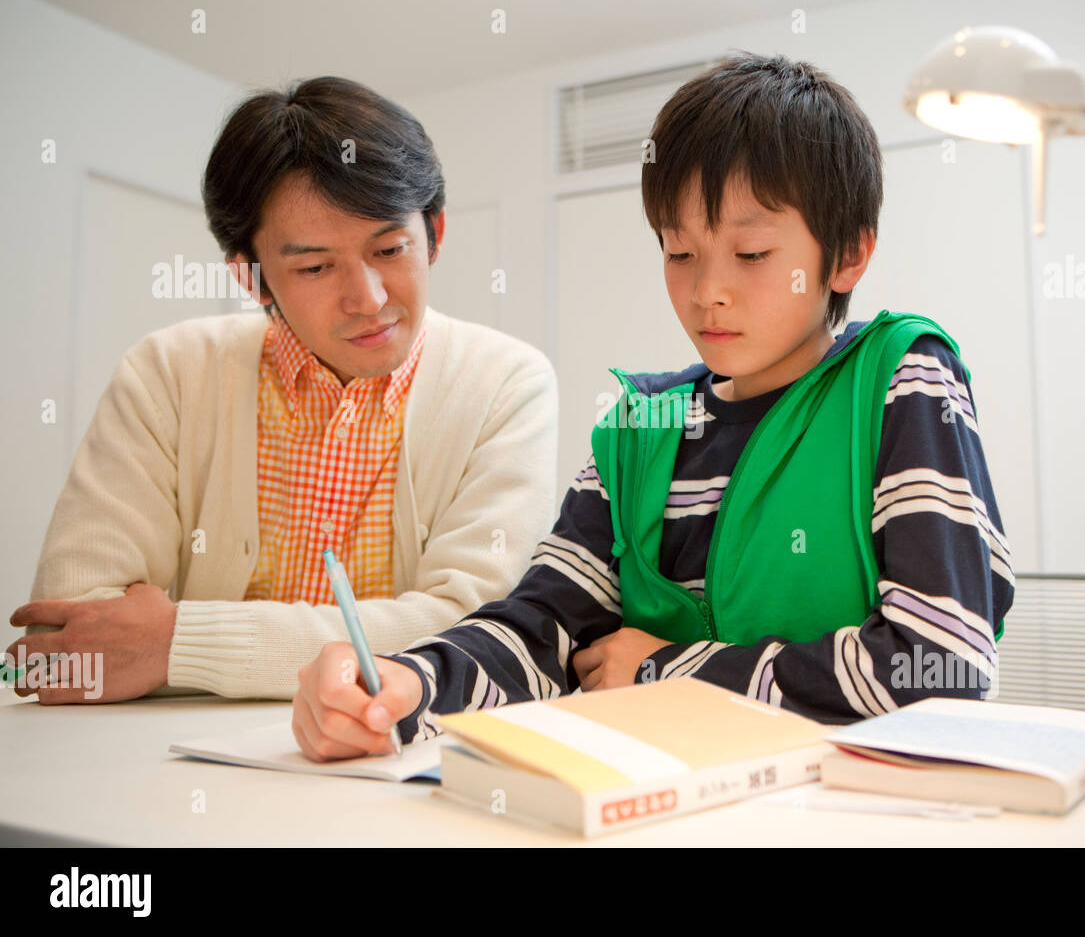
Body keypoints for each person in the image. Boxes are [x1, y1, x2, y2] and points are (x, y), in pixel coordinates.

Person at [290, 54, 1014, 761]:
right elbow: (545, 627)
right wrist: (410, 682)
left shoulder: (900, 381)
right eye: (679, 253)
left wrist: (664, 669)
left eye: (752, 254)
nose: (707, 294)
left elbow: (940, 665)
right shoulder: (643, 423)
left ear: (848, 255)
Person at [6, 76, 558, 703]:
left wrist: (173, 643)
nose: (369, 300)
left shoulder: (505, 383)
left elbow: (474, 634)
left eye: (390, 248)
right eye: (315, 267)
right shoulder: (167, 372)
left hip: (392, 759)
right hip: (160, 763)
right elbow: (70, 638)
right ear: (252, 275)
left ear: (434, 232)